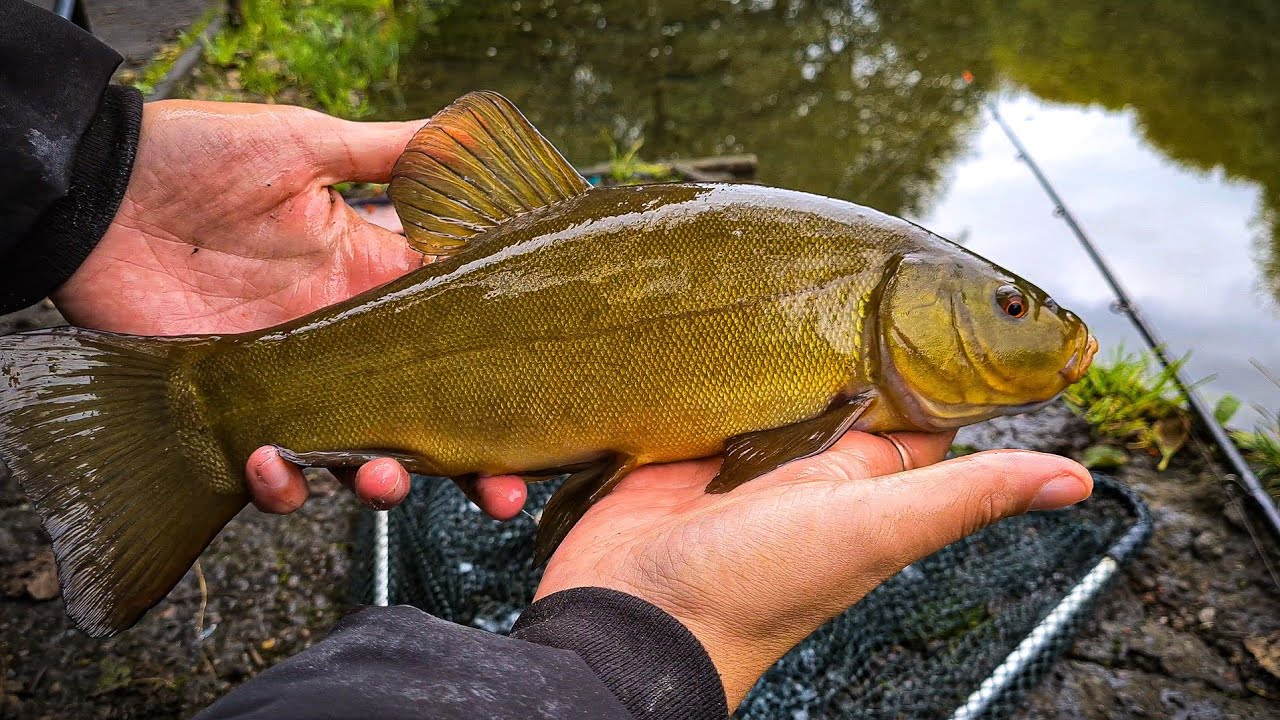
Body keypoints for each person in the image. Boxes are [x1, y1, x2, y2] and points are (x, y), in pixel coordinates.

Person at [1, 2, 1093, 718]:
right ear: (913, 302)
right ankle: (191, 414)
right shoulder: (850, 326)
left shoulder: (852, 275)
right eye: (1008, 303)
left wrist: (88, 171)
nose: (1035, 324)